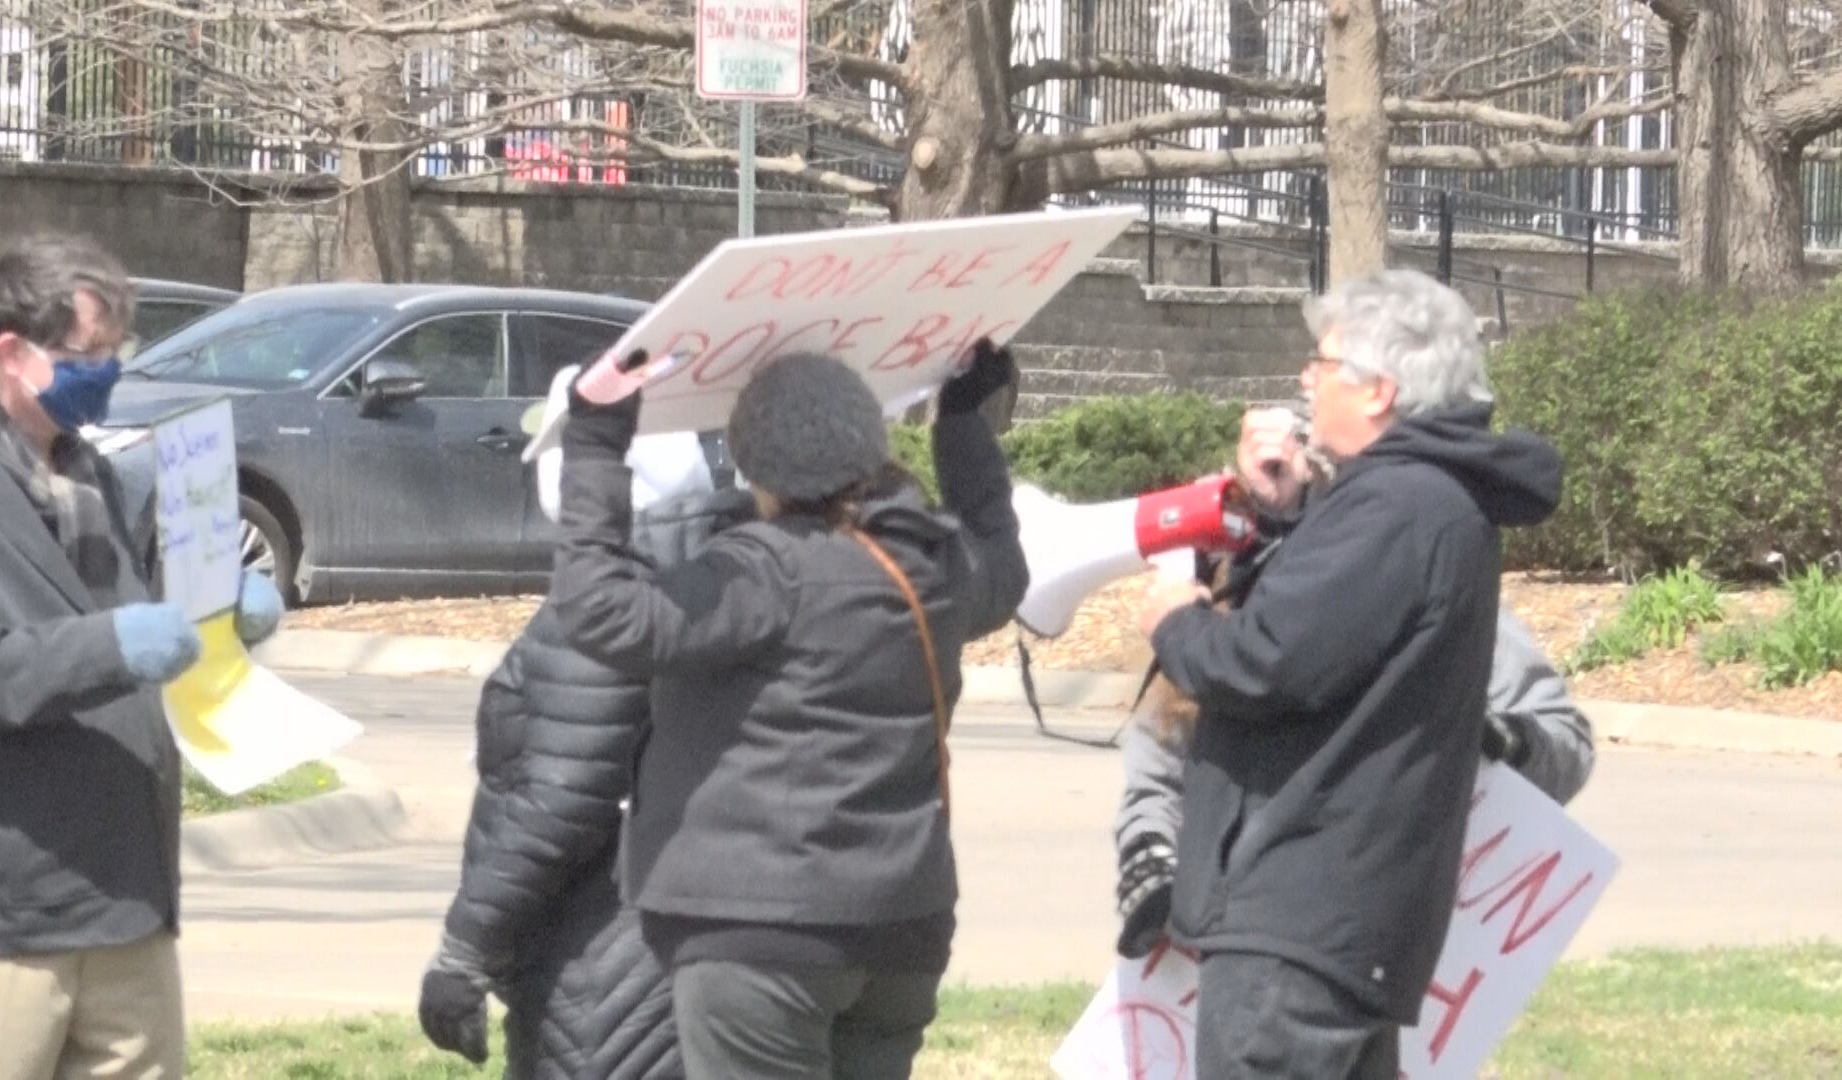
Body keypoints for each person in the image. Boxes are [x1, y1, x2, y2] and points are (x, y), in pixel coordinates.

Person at [546, 344, 1028, 1080]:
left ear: (756, 469)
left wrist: (596, 440)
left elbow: (600, 610)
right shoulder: (935, 563)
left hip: (761, 938)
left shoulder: (765, 571)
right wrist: (962, 422)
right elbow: (1005, 565)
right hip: (903, 927)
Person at [1133, 269, 1563, 1079]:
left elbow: (1265, 663)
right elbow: (1334, 637)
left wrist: (1176, 621)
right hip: (1346, 928)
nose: (1305, 380)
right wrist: (1289, 518)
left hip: (1296, 929)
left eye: (1321, 364)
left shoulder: (1398, 508)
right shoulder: (1420, 501)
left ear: (1378, 392)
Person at [0, 234, 283, 1079]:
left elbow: (146, 609)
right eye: (90, 353)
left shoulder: (90, 473)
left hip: (126, 892)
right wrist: (109, 647)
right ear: (12, 353)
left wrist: (217, 609)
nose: (111, 370)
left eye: (117, 348)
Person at [1114, 405, 1595, 961]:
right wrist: (1152, 872)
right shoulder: (1214, 619)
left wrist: (1477, 740)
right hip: (1242, 949)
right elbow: (1157, 774)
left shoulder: (1416, 567)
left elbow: (1564, 744)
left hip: (1387, 939)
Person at [419, 414, 749, 1078]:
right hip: (683, 947)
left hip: (602, 961)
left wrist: (466, 949)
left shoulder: (612, 600)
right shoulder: (727, 570)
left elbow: (561, 803)